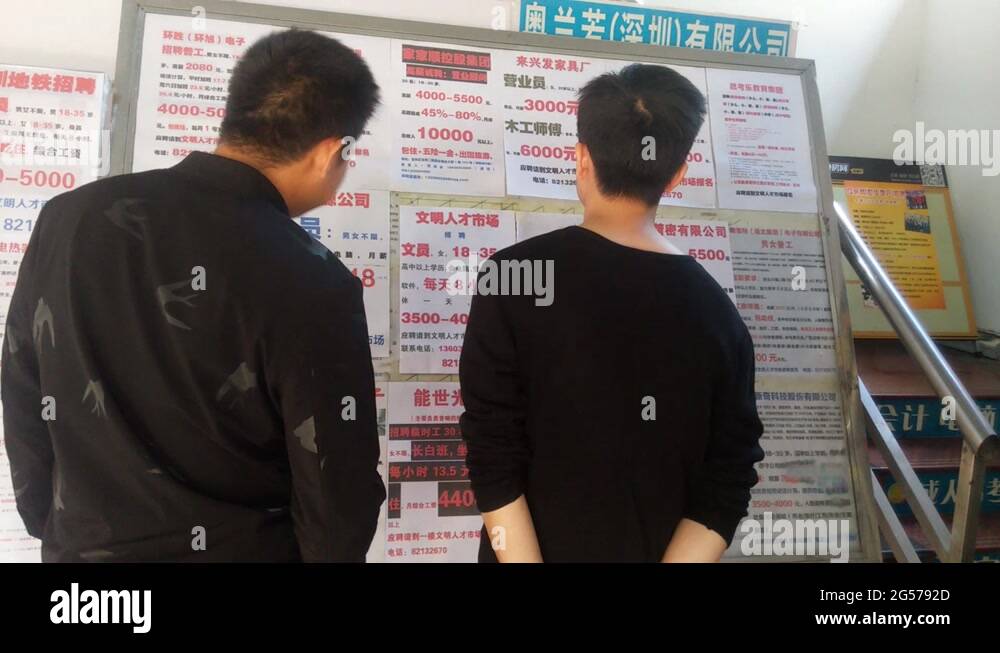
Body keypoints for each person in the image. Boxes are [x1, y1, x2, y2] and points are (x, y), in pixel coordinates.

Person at [1, 29, 385, 562]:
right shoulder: (313, 279)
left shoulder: (70, 219)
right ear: (329, 152)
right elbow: (335, 490)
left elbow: (22, 390)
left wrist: (57, 528)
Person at [459, 63, 765, 562]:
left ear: (581, 158)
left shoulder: (511, 277)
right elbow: (729, 475)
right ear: (679, 172)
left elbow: (492, 452)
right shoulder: (717, 313)